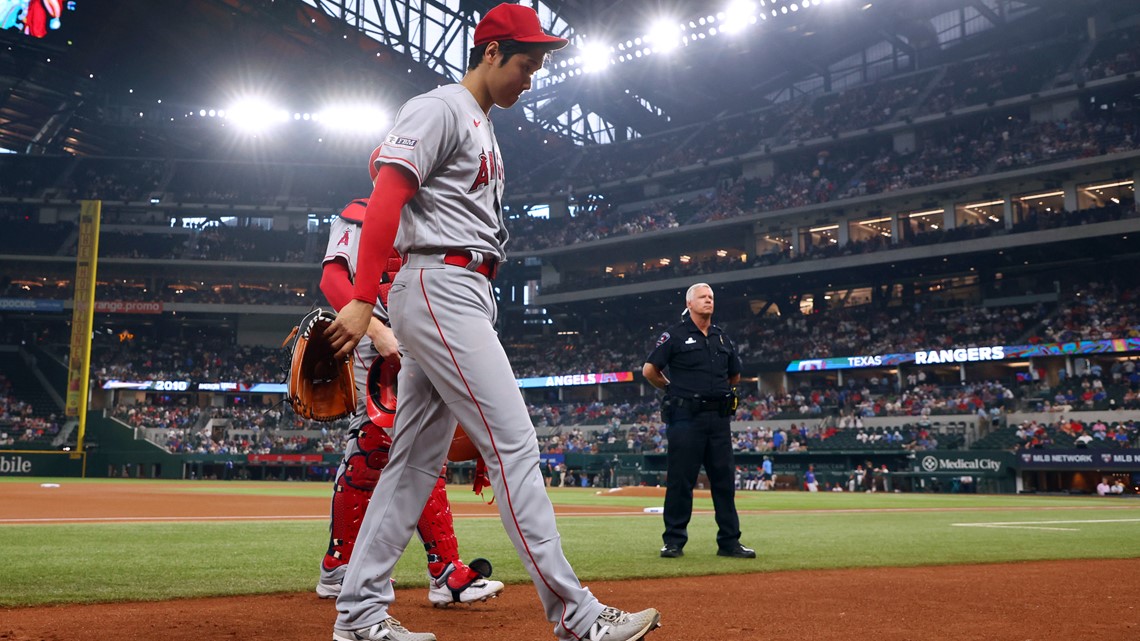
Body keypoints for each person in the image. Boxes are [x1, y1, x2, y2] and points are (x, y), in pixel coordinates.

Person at [324, 5, 661, 641]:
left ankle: (359, 614)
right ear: (491, 53)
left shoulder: (481, 125)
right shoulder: (440, 107)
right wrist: (362, 295)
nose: (531, 79)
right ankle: (576, 616)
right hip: (440, 284)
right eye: (526, 64)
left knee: (415, 464)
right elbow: (389, 195)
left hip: (464, 289)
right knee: (515, 445)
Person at [316, 190, 503, 607]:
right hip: (377, 337)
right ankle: (444, 571)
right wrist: (375, 331)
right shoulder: (358, 215)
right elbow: (332, 279)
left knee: (383, 452)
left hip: (420, 332)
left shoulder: (428, 215)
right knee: (396, 447)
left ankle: (340, 565)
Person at [642, 283, 755, 560]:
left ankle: (729, 542)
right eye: (703, 297)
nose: (709, 300)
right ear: (689, 303)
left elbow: (735, 376)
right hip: (686, 418)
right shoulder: (675, 335)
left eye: (711, 297)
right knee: (681, 481)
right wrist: (672, 389)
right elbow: (650, 370)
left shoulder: (721, 337)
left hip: (718, 419)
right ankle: (673, 541)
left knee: (724, 482)